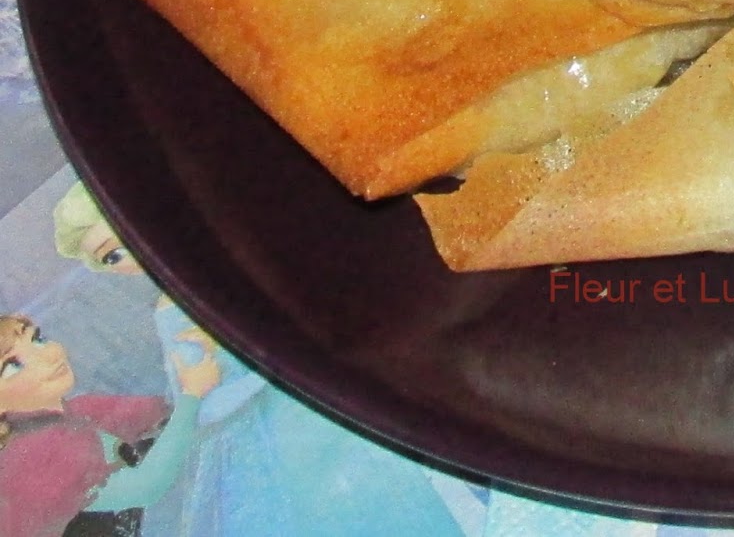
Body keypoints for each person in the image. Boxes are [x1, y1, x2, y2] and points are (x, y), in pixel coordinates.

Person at [51, 184, 476, 537]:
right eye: (112, 254)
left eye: (128, 228)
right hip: (287, 442)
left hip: (340, 398)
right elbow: (202, 402)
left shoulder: (233, 257)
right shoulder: (170, 315)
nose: (132, 249)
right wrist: (232, 379)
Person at [0, 313, 219, 537]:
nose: (47, 355)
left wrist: (192, 365)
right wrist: (192, 395)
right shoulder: (40, 456)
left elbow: (162, 410)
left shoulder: (82, 410)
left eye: (38, 339)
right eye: (13, 365)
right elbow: (147, 486)